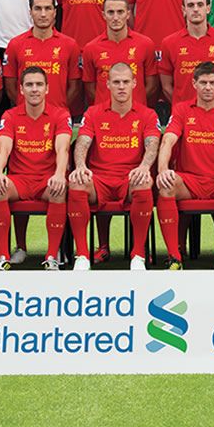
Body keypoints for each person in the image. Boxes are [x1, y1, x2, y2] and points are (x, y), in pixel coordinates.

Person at [156, 61, 214, 270]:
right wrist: (163, 169)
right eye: (203, 83)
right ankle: (174, 258)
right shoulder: (181, 109)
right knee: (166, 184)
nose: (208, 87)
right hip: (189, 181)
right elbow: (168, 140)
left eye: (212, 82)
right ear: (194, 84)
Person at [68, 63, 159, 271]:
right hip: (99, 178)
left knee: (144, 181)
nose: (121, 87)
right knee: (76, 181)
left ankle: (138, 255)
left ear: (134, 84)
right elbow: (82, 141)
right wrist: (80, 165)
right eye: (116, 82)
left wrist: (145, 166)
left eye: (126, 82)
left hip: (129, 178)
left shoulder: (147, 114)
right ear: (107, 84)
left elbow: (152, 143)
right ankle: (82, 255)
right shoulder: (92, 113)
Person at [0, 66, 71, 271]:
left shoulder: (60, 114)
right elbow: (4, 149)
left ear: (47, 89)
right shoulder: (10, 115)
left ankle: (52, 255)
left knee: (59, 189)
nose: (34, 89)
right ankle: (3, 256)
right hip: (20, 180)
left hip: (47, 179)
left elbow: (63, 149)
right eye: (29, 85)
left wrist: (60, 174)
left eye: (39, 85)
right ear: (22, 90)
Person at [2, 0, 81, 111]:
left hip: (58, 116)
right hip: (25, 115)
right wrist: (25, 106)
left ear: (54, 12)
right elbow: (10, 86)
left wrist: (59, 109)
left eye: (48, 8)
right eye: (38, 9)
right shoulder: (15, 44)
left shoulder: (70, 45)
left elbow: (75, 86)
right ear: (30, 12)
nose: (43, 14)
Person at [159, 0, 214, 106]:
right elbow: (166, 87)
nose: (195, 9)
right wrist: (183, 109)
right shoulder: (169, 43)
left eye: (200, 5)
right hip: (183, 117)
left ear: (208, 8)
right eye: (190, 5)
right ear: (183, 10)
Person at [81, 0, 159, 107]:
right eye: (111, 12)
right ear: (103, 15)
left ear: (128, 14)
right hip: (104, 118)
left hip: (136, 116)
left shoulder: (145, 44)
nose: (115, 18)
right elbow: (91, 89)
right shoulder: (91, 48)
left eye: (120, 12)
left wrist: (131, 104)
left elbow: (152, 85)